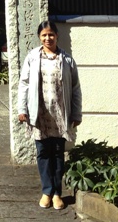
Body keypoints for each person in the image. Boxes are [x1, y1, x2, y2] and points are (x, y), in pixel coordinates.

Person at [17, 20, 82, 210]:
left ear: (56, 36)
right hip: (39, 113)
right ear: (39, 37)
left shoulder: (67, 60)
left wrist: (76, 113)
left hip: (60, 114)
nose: (48, 38)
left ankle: (57, 193)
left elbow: (76, 89)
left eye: (51, 34)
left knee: (58, 153)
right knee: (43, 152)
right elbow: (24, 84)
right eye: (44, 35)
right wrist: (22, 109)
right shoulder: (32, 58)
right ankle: (47, 191)